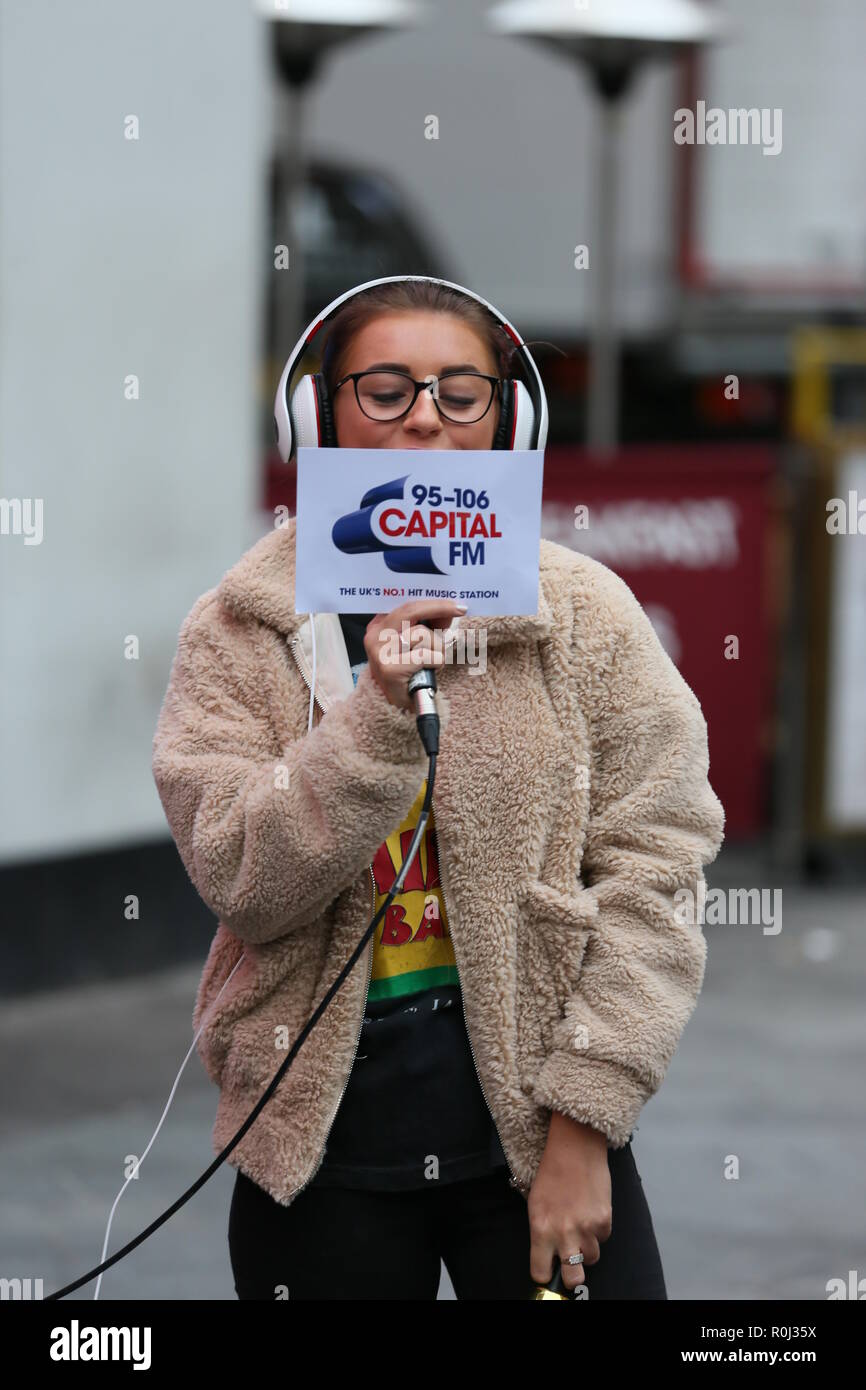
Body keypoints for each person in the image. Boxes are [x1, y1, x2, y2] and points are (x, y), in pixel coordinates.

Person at [151, 279, 725, 1300]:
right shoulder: (239, 629)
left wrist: (584, 1121)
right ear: (315, 414)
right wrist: (375, 709)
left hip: (541, 1137)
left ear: (509, 419)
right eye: (384, 388)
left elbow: (658, 865)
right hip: (317, 1156)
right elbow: (243, 874)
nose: (423, 412)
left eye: (460, 392)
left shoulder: (582, 615)